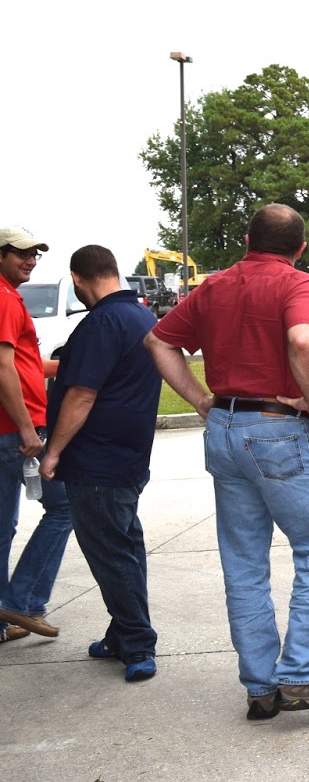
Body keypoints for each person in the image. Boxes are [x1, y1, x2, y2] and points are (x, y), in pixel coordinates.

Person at [144, 204, 309, 720]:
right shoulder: (296, 283)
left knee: (243, 563)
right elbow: (303, 338)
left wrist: (200, 400)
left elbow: (159, 340)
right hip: (277, 430)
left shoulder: (214, 286)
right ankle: (303, 674)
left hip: (224, 429)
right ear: (300, 247)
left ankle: (261, 685)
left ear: (246, 240)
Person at [39, 245, 162, 681]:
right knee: (123, 546)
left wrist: (52, 451)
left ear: (78, 280)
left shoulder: (100, 323)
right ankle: (120, 633)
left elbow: (82, 394)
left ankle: (137, 644)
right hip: (129, 455)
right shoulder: (142, 318)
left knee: (111, 553)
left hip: (97, 461)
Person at [0, 224, 72, 643]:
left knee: (3, 527)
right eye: (21, 254)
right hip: (17, 430)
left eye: (34, 255)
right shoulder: (5, 299)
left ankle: (5, 615)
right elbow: (4, 368)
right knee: (65, 508)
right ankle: (22, 602)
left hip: (7, 430)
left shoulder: (10, 298)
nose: (30, 260)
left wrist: (72, 367)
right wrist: (28, 429)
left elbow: (24, 364)